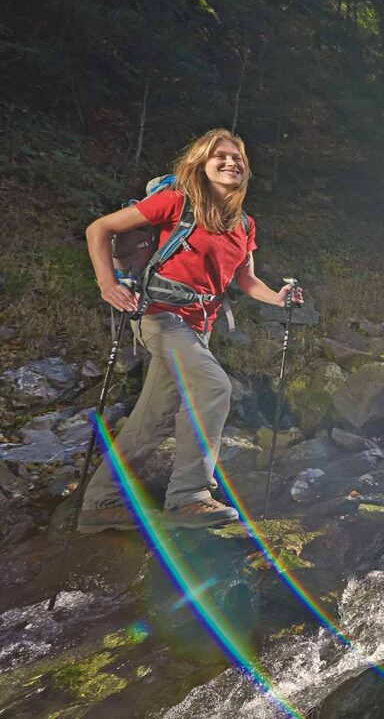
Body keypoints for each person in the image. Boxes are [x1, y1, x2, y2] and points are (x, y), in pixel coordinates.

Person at [78, 128, 301, 533]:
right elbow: (99, 229)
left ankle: (98, 503)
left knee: (153, 418)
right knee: (215, 388)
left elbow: (246, 281)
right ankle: (189, 496)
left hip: (200, 326)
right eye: (220, 155)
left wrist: (280, 297)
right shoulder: (178, 202)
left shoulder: (243, 224)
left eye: (237, 157)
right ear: (201, 163)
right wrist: (108, 285)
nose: (231, 162)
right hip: (160, 316)